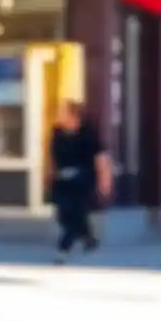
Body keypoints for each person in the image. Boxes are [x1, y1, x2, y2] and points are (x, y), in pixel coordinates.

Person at [48, 101, 112, 264]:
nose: (60, 116)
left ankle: (63, 250)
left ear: (74, 116)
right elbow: (52, 159)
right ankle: (89, 239)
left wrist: (104, 183)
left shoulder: (88, 134)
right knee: (63, 215)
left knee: (75, 215)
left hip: (83, 180)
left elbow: (101, 159)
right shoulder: (57, 134)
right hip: (63, 181)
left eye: (63, 113)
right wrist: (49, 176)